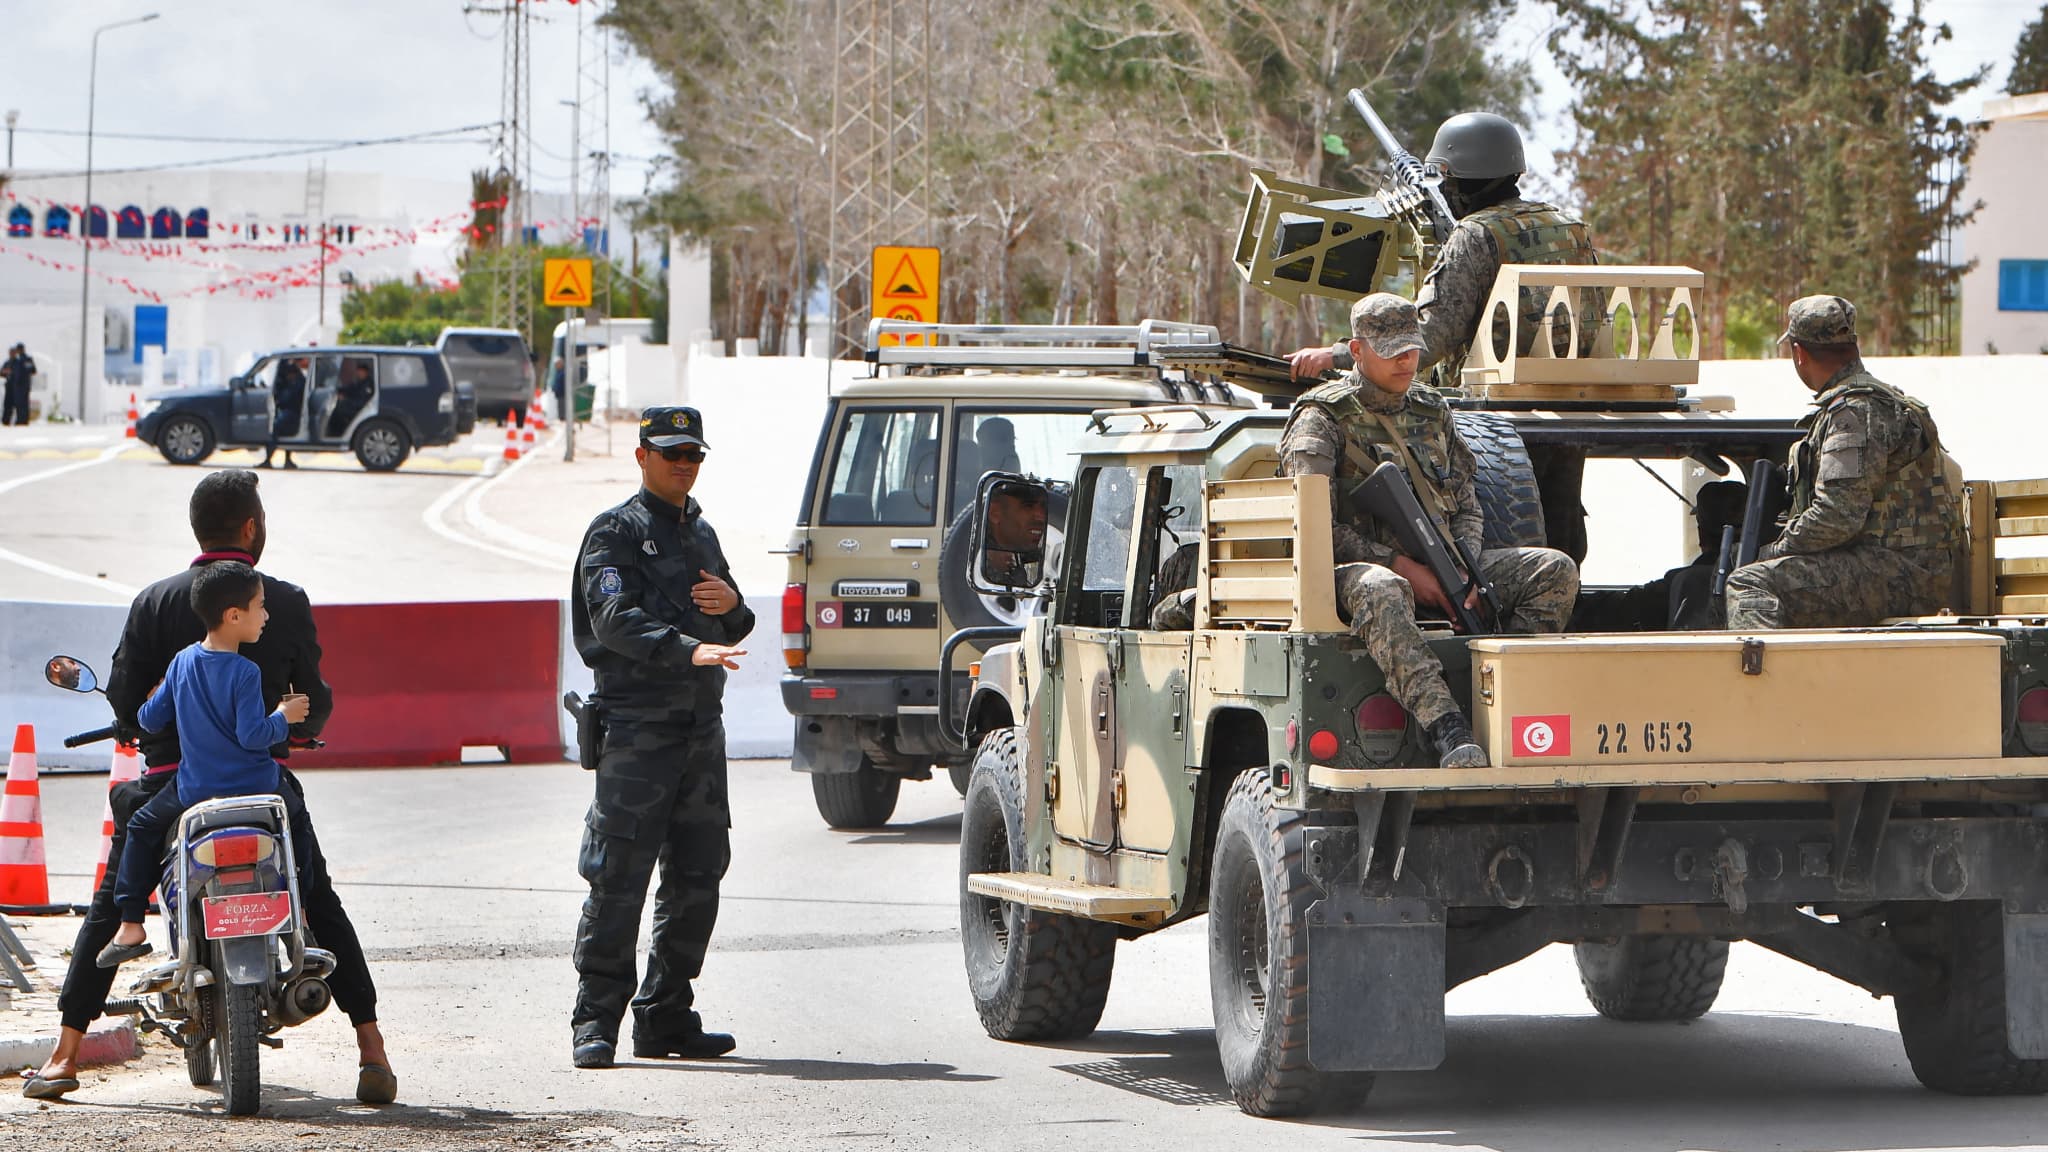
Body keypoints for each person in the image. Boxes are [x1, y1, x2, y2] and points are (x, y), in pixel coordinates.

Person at [21, 469, 395, 1106]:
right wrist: (296, 725)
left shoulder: (156, 602)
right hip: (262, 785)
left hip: (176, 784)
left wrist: (141, 724)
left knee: (114, 901)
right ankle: (371, 1048)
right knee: (317, 898)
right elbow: (315, 702)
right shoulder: (280, 600)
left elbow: (128, 703)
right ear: (251, 528)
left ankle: (63, 1055)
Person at [1280, 293, 1579, 768]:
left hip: (1445, 566)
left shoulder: (1432, 411)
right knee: (1382, 588)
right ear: (1356, 351)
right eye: (1391, 349)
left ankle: (1506, 697)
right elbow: (1312, 524)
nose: (1407, 360)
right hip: (1347, 572)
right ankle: (1448, 728)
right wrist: (1401, 565)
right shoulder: (1321, 418)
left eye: (1413, 347)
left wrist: (1466, 568)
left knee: (1553, 570)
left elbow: (1466, 502)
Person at [570, 406, 752, 1070]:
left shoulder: (699, 533)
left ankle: (666, 1014)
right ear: (642, 456)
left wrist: (732, 612)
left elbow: (733, 616)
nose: (684, 464)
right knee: (618, 877)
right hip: (638, 734)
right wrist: (687, 649)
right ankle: (595, 1021)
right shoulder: (614, 535)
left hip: (701, 734)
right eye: (672, 452)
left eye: (693, 454)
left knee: (698, 876)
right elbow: (612, 619)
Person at [98, 563, 316, 963]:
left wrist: (162, 693)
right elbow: (253, 736)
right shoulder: (246, 672)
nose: (265, 616)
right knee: (296, 822)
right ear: (234, 616)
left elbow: (147, 720)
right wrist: (284, 716)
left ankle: (130, 925)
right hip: (257, 785)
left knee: (143, 826)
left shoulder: (181, 663)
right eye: (260, 607)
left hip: (195, 789)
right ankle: (301, 914)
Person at [1285, 113, 1597, 388]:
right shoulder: (1571, 225)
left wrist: (1333, 355)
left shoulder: (1475, 236)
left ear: (1466, 181)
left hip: (1493, 406)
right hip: (1578, 393)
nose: (1445, 189)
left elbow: (1425, 341)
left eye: (1447, 178)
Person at [1724, 296, 1962, 629]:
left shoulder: (1855, 411)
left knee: (1750, 582)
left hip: (1896, 573)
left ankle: (1763, 682)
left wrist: (1772, 551)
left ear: (1799, 353)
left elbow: (1837, 517)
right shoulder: (1868, 402)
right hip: (1899, 568)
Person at [260, 356, 308, 469]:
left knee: (275, 428)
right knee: (282, 428)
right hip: (290, 412)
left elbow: (288, 399)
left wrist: (279, 399)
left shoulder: (298, 382)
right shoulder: (293, 380)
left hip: (293, 413)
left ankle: (268, 460)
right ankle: (287, 460)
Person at [324, 358, 373, 439]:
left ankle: (336, 434)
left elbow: (361, 401)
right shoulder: (359, 382)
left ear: (365, 372)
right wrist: (338, 390)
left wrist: (345, 400)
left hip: (359, 408)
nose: (359, 373)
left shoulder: (368, 384)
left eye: (361, 371)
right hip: (352, 404)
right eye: (358, 371)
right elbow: (350, 389)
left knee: (338, 411)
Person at [1, 343, 37, 426]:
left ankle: (22, 421)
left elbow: (32, 370)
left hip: (22, 387)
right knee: (15, 405)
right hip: (15, 387)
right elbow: (5, 372)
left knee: (22, 405)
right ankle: (18, 420)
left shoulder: (23, 360)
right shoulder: (14, 361)